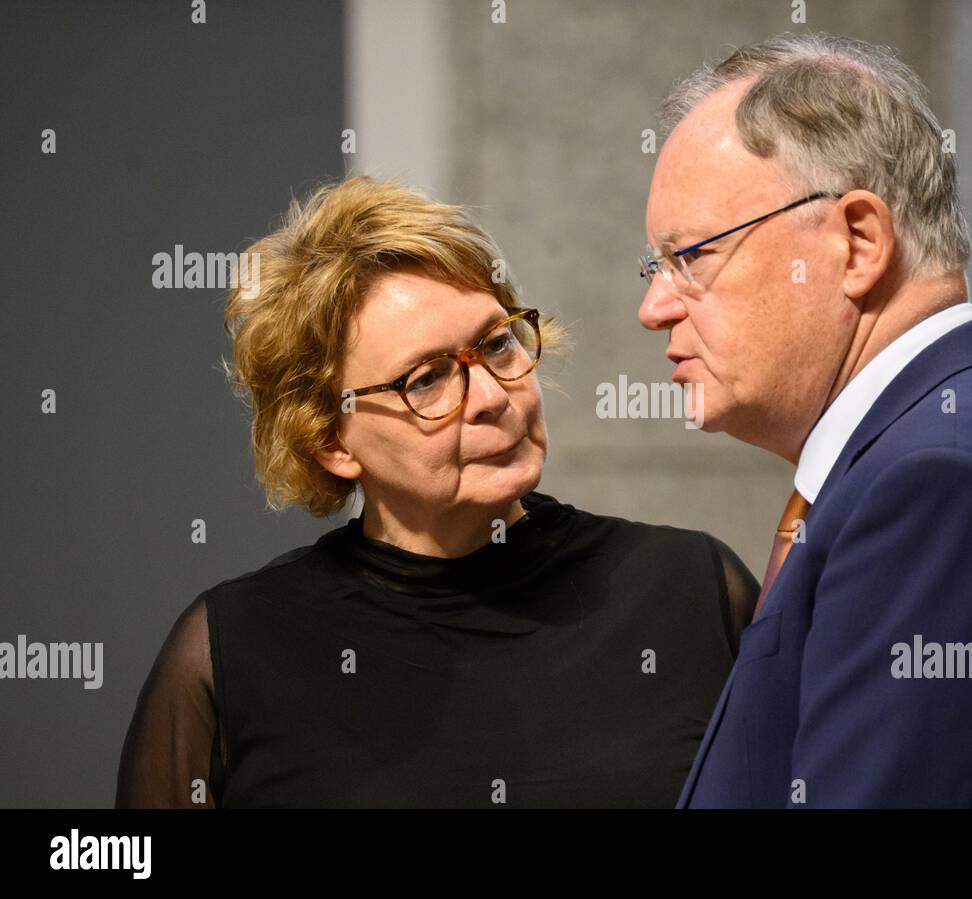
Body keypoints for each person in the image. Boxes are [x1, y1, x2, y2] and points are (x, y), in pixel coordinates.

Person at [637, 33, 972, 808]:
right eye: (654, 268)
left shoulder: (947, 479)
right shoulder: (962, 440)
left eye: (689, 258)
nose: (653, 307)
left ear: (858, 242)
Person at [116, 175, 758, 808]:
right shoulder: (233, 652)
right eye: (426, 380)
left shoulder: (691, 589)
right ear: (330, 443)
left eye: (497, 344)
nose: (490, 398)